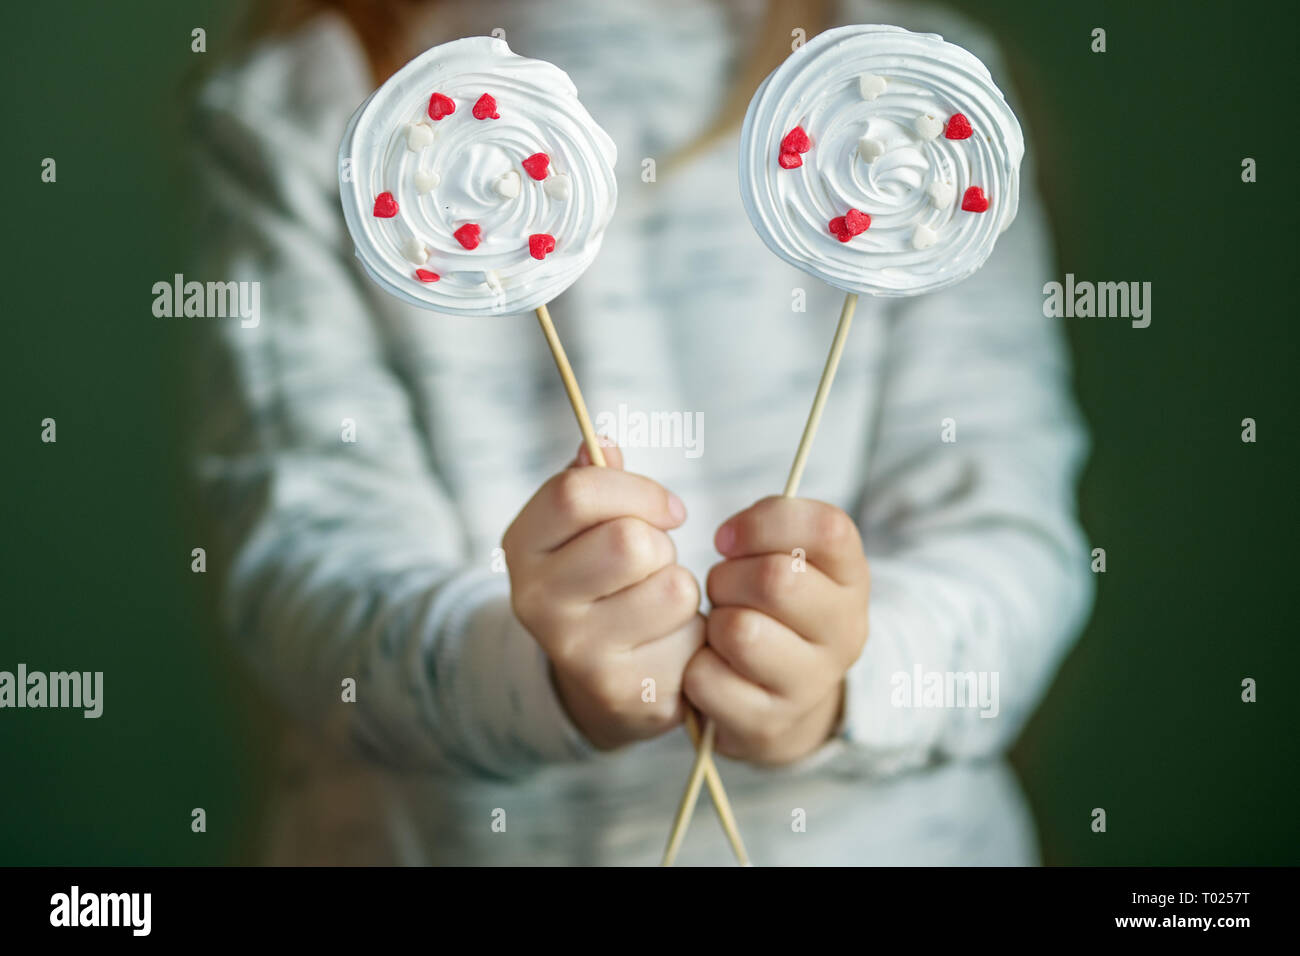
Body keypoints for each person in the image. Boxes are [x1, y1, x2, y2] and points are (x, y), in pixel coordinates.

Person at [192, 0, 1093, 865]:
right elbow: (303, 569)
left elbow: (1009, 547)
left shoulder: (922, 109)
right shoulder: (302, 115)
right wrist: (535, 678)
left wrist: (847, 679)